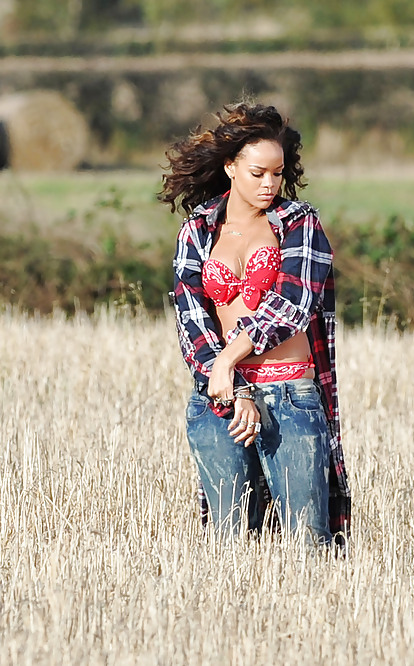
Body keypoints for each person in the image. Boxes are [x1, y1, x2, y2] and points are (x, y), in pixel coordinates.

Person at [160, 102, 350, 546]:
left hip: (291, 396)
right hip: (221, 398)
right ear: (230, 167)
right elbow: (192, 321)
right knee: (228, 543)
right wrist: (230, 384)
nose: (270, 184)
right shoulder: (197, 231)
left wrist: (227, 361)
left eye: (277, 173)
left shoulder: (301, 224)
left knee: (309, 542)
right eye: (257, 173)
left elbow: (292, 307)